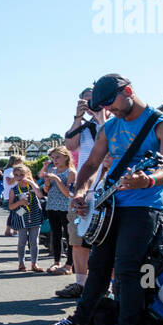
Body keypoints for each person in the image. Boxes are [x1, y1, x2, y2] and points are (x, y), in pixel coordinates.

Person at [41, 73, 163, 325]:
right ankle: (82, 320)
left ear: (129, 91)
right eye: (104, 107)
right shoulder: (111, 127)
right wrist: (81, 192)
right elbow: (92, 163)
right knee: (98, 264)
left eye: (112, 104)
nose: (110, 111)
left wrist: (149, 180)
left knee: (128, 269)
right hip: (110, 204)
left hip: (145, 206)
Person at [58, 87, 110, 299]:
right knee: (78, 238)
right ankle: (81, 284)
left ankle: (108, 288)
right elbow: (70, 144)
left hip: (108, 189)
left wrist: (101, 116)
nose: (90, 105)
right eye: (86, 101)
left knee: (106, 240)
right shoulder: (85, 127)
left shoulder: (113, 122)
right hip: (84, 189)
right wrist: (78, 116)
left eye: (93, 101)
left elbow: (111, 139)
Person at [39, 146, 76, 273]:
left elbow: (68, 193)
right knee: (55, 234)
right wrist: (47, 183)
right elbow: (46, 191)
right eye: (53, 158)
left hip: (66, 207)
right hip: (52, 205)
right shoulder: (53, 170)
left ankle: (69, 264)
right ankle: (56, 262)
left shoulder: (71, 172)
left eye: (58, 157)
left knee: (69, 235)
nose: (55, 160)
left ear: (66, 157)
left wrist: (57, 180)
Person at [7, 164, 44, 272]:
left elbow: (40, 195)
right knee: (22, 241)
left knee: (34, 241)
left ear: (27, 174)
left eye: (22, 174)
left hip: (34, 216)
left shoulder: (33, 186)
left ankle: (34, 263)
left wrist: (31, 182)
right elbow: (10, 206)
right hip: (21, 218)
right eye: (16, 175)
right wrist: (19, 202)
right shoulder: (14, 190)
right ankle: (21, 263)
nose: (19, 177)